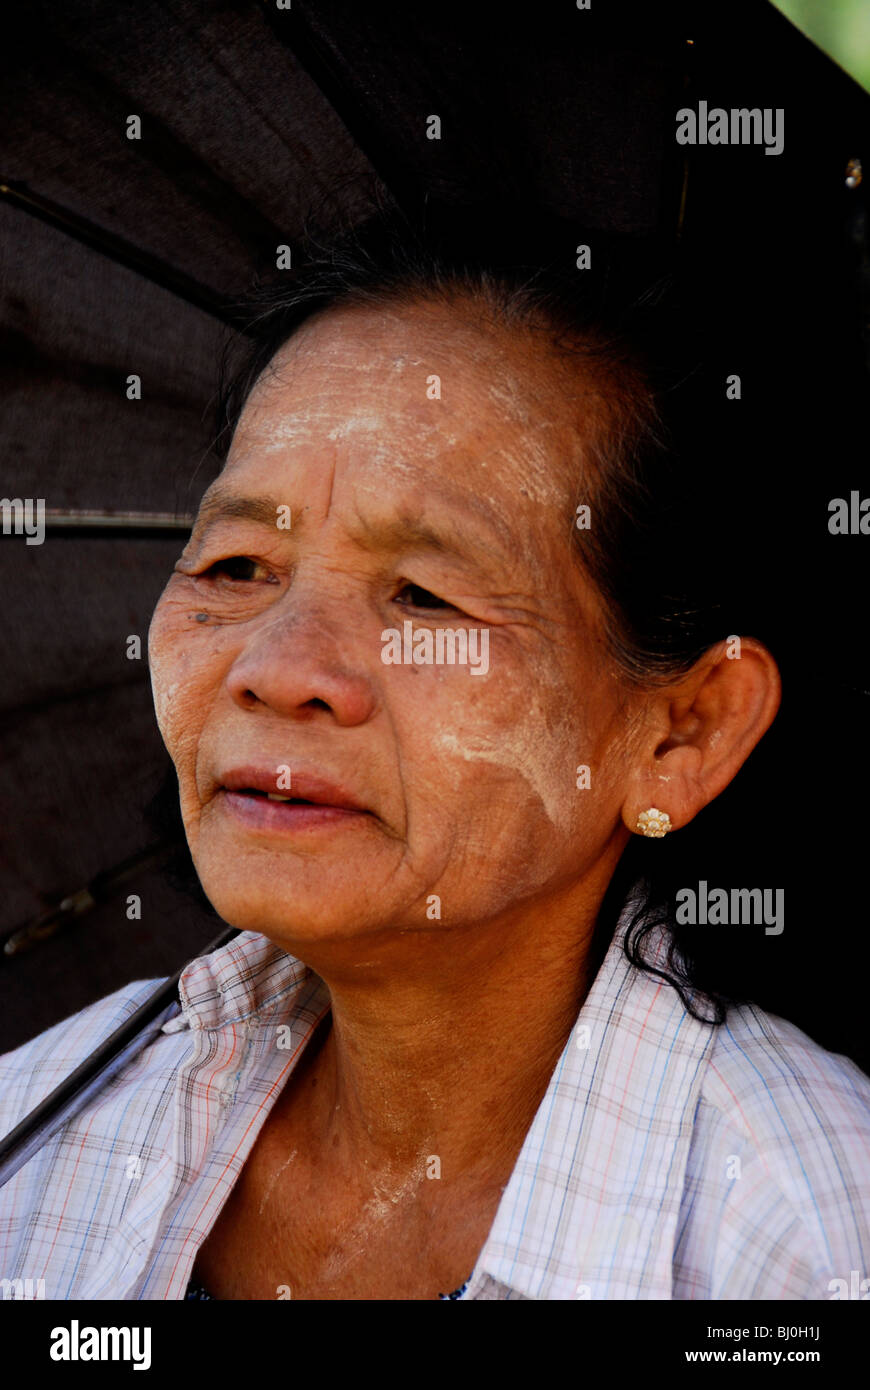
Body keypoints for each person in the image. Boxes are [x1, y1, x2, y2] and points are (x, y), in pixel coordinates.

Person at [1, 208, 868, 1301]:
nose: (276, 667)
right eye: (234, 565)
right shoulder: (43, 1134)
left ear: (678, 731)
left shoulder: (807, 1244)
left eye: (423, 595)